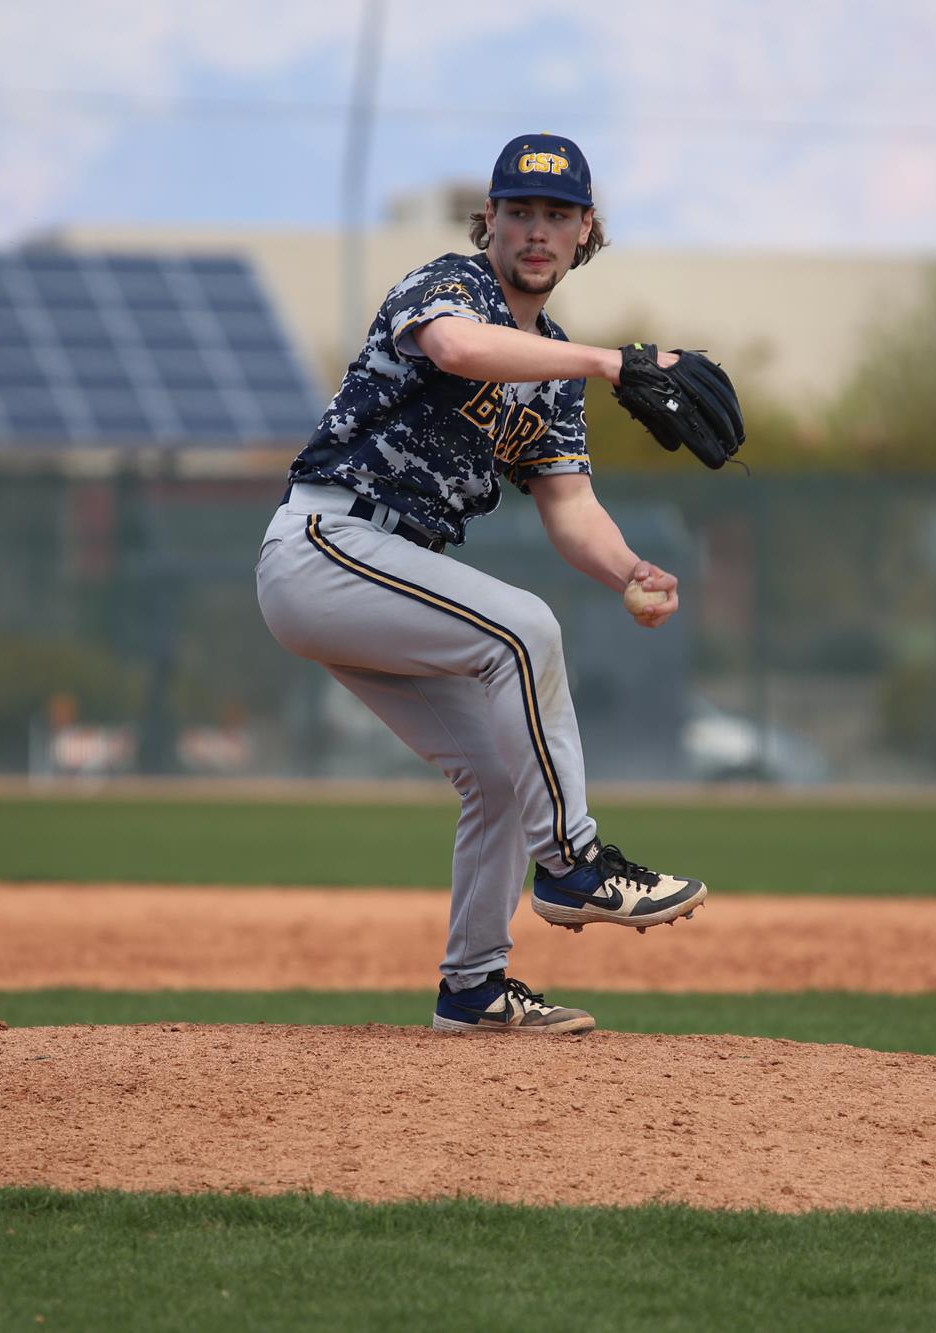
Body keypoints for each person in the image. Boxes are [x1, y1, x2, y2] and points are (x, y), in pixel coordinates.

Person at [255, 133, 709, 1035]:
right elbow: (461, 351)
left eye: (558, 214)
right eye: (520, 211)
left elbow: (569, 506)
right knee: (522, 627)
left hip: (384, 577)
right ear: (489, 222)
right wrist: (613, 361)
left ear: (586, 231)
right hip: (326, 541)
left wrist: (630, 568)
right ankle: (576, 865)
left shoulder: (557, 370)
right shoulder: (449, 287)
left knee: (503, 773)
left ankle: (475, 988)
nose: (537, 231)